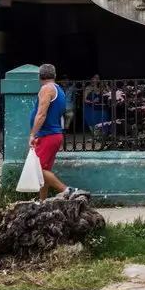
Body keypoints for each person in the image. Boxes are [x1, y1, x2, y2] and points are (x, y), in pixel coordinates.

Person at [29, 63, 89, 202]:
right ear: (54, 75)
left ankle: (67, 190)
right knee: (43, 171)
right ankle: (42, 201)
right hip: (54, 135)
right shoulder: (58, 90)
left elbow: (41, 114)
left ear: (40, 76)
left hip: (46, 135)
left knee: (37, 169)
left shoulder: (46, 89)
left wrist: (33, 134)